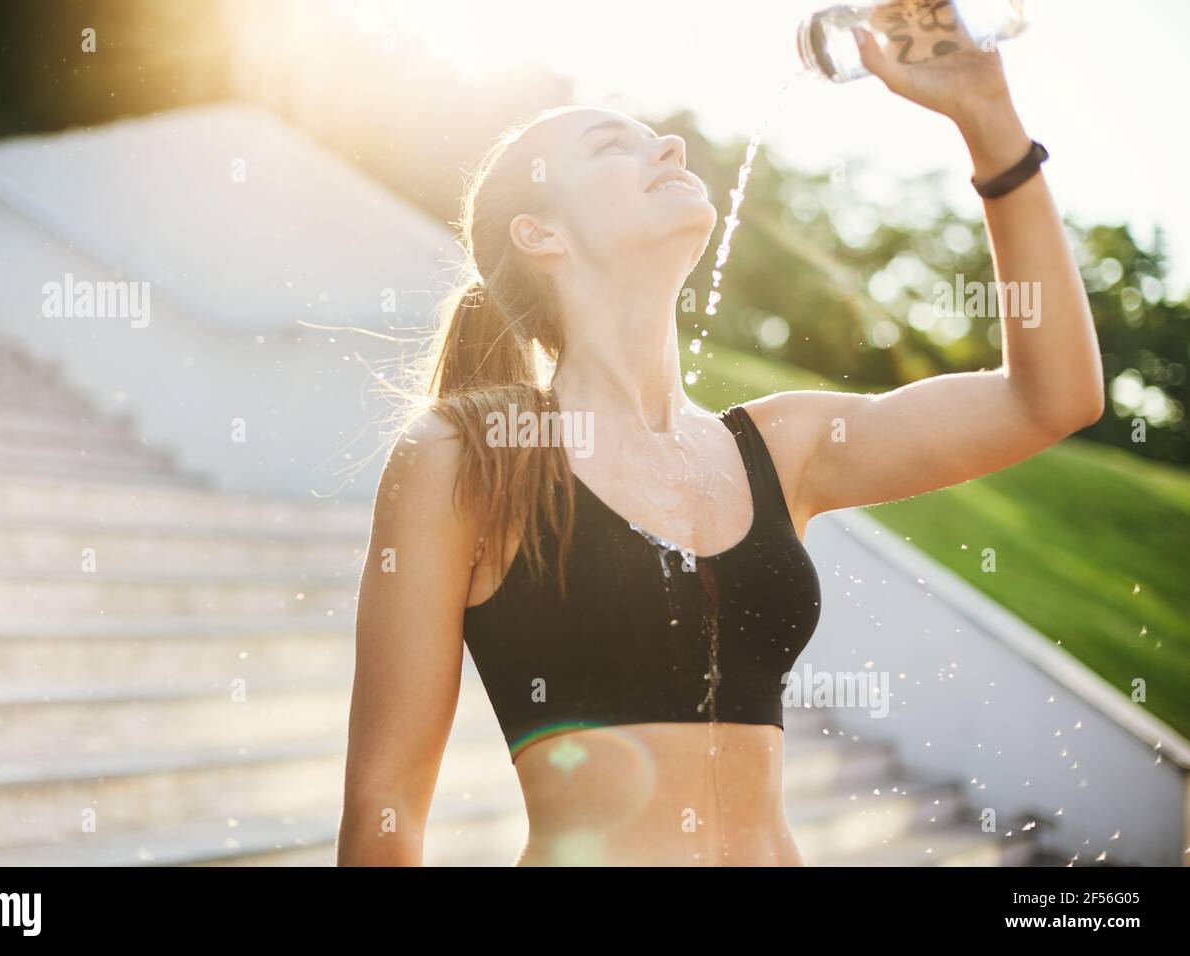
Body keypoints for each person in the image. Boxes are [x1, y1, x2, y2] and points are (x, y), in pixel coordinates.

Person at [338, 26, 1104, 866]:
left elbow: (1050, 398)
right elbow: (386, 805)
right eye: (609, 147)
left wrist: (988, 117)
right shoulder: (469, 454)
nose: (668, 143)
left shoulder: (780, 449)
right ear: (541, 235)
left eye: (655, 136)